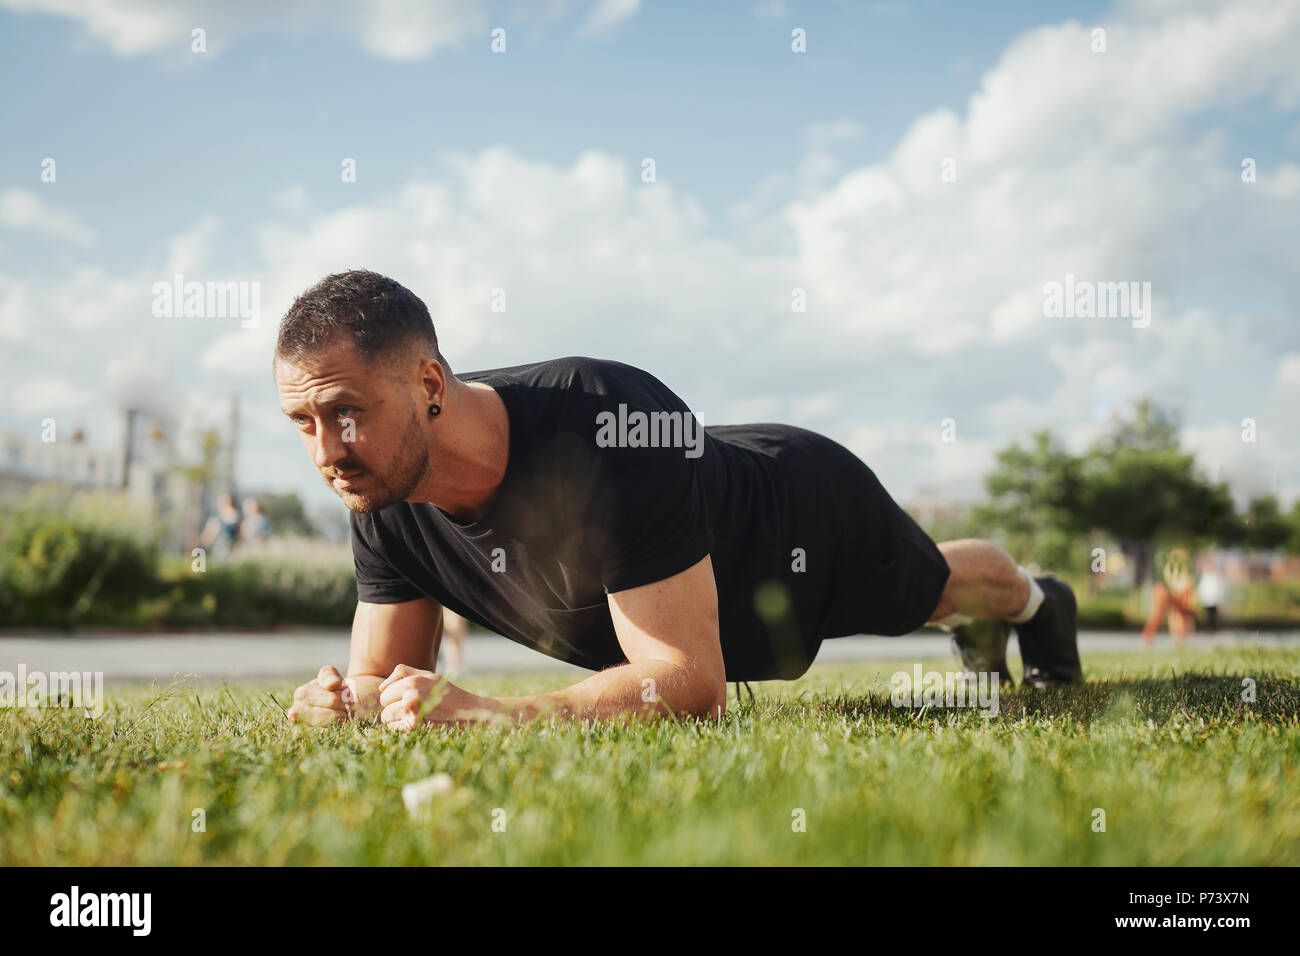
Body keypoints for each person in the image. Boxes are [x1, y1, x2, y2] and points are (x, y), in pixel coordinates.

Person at [278, 271, 1083, 731]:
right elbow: (381, 676)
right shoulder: (378, 488)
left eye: (344, 412)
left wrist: (499, 714)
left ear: (426, 385)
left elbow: (691, 682)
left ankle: (1038, 603)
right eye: (303, 423)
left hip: (800, 515)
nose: (325, 451)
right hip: (696, 508)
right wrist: (339, 701)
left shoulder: (606, 418)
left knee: (931, 590)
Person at [1142, 546, 1196, 646]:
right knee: (1163, 615)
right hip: (1170, 590)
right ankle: (1150, 636)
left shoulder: (1174, 566)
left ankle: (1179, 637)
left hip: (1174, 590)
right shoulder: (1173, 566)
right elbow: (1178, 580)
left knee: (1176, 615)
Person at [199, 491, 241, 560]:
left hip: (223, 545)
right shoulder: (236, 515)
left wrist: (204, 542)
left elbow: (211, 532)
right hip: (229, 546)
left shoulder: (219, 516)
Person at [1197, 555, 1225, 633]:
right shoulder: (1205, 576)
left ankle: (1212, 628)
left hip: (1213, 599)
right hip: (1206, 600)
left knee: (1212, 615)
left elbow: (1217, 588)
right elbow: (1202, 588)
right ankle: (1208, 628)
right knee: (1207, 616)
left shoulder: (1214, 577)